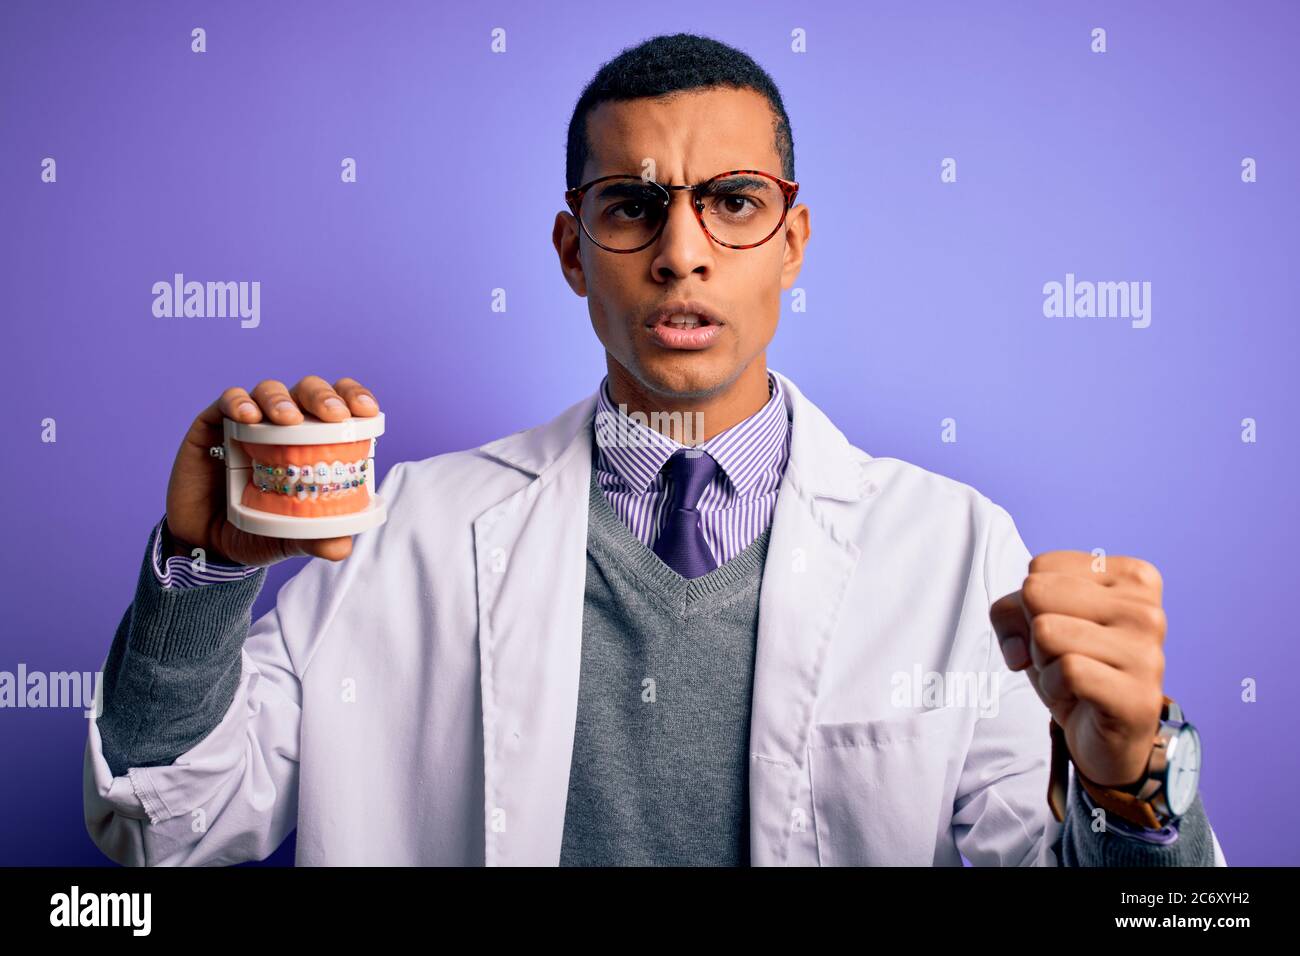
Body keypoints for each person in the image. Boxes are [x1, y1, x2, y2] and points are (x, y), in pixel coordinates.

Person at [84, 32, 1224, 866]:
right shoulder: (401, 533)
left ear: (792, 243)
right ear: (575, 251)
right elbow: (162, 834)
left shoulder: (952, 547)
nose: (682, 253)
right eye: (633, 206)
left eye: (732, 201)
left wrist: (1125, 786)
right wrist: (208, 574)